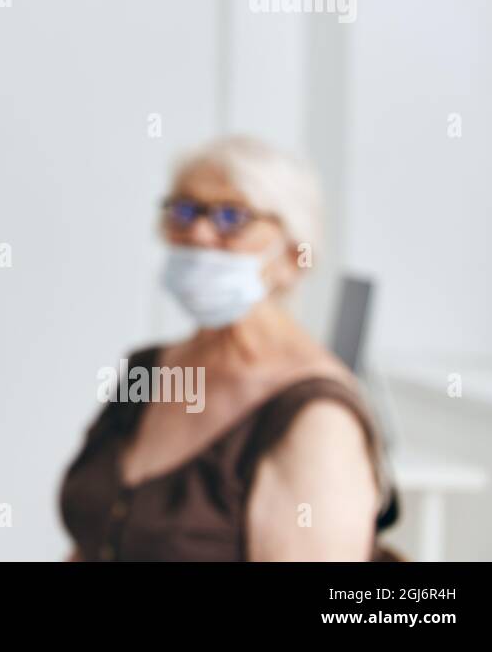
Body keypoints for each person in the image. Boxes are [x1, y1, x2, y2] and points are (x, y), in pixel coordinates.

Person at [60, 136, 397, 561]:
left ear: (296, 256)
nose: (198, 233)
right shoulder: (146, 369)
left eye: (231, 217)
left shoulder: (317, 416)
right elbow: (91, 537)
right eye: (182, 211)